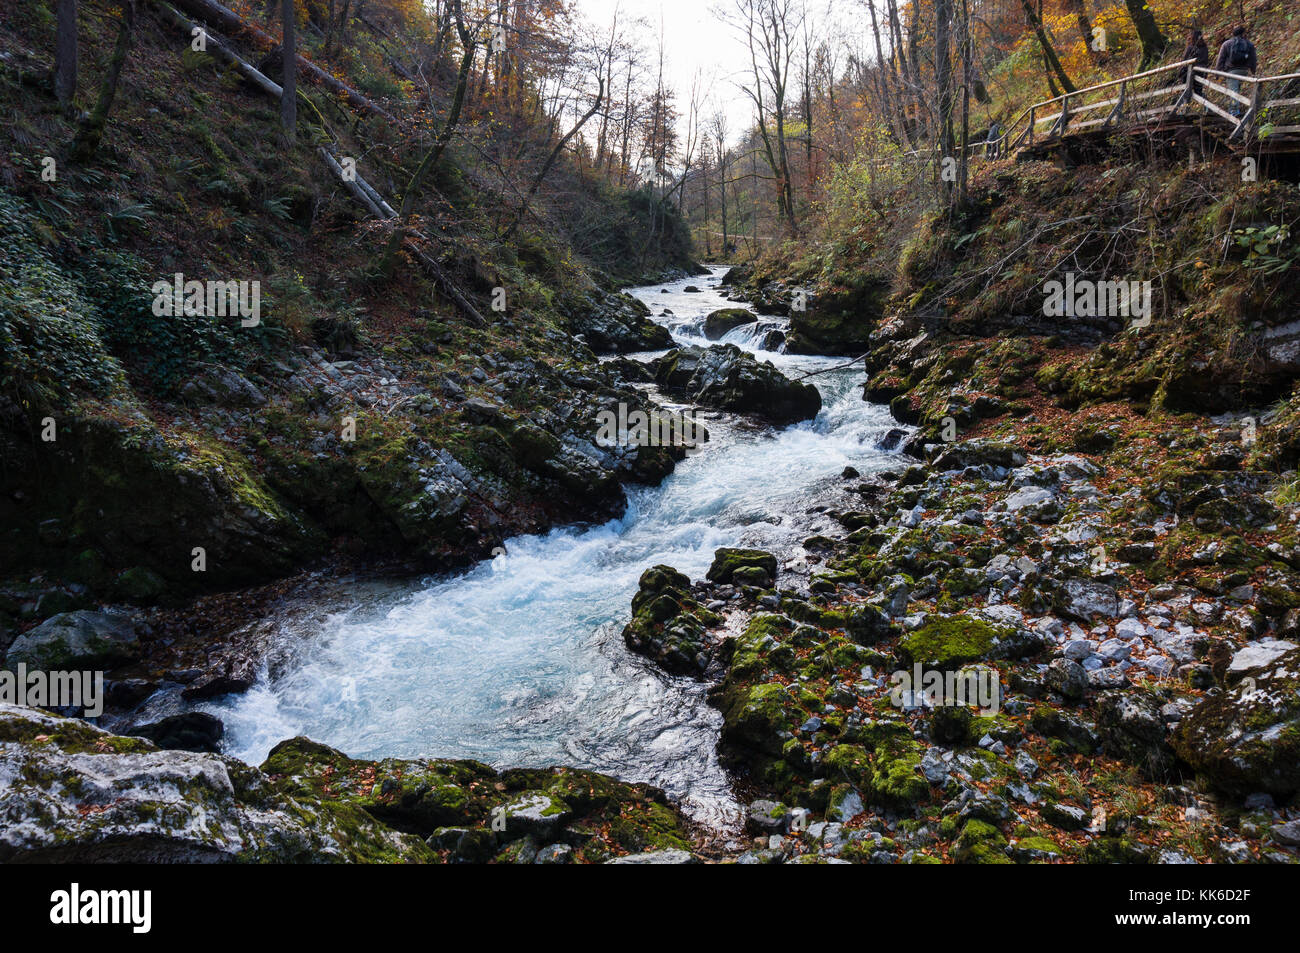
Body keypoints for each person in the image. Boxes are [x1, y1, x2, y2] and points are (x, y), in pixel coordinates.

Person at [1215, 26, 1257, 118]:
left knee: (1233, 91)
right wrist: (1253, 72)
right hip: (1244, 71)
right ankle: (1234, 109)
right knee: (1236, 90)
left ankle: (1234, 111)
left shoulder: (1227, 44)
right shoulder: (1249, 44)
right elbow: (1253, 59)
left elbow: (1220, 59)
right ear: (1243, 33)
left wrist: (1217, 72)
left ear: (1233, 34)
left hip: (1232, 71)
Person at [1181, 29, 1210, 97]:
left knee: (1191, 91)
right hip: (1201, 72)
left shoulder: (1191, 47)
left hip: (1194, 72)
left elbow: (1184, 60)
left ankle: (1186, 105)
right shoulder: (1204, 47)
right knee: (1197, 92)